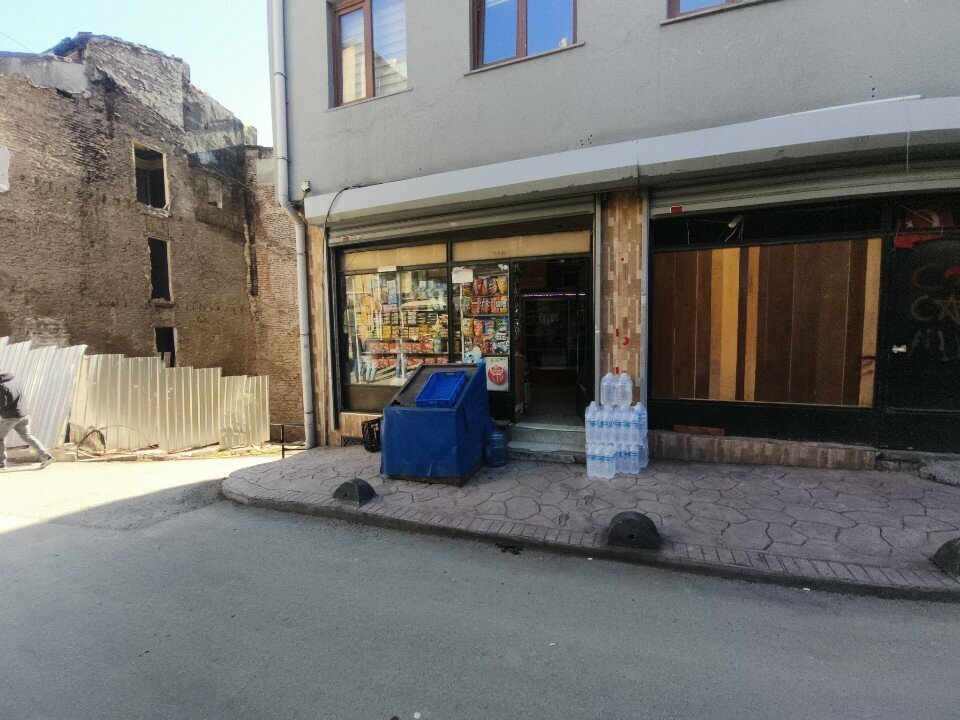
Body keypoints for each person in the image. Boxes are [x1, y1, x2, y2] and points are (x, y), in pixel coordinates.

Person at [0, 372, 54, 470]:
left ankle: (1, 462)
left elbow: (3, 404)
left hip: (10, 417)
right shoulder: (15, 381)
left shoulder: (2, 386)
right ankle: (47, 456)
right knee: (28, 436)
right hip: (23, 415)